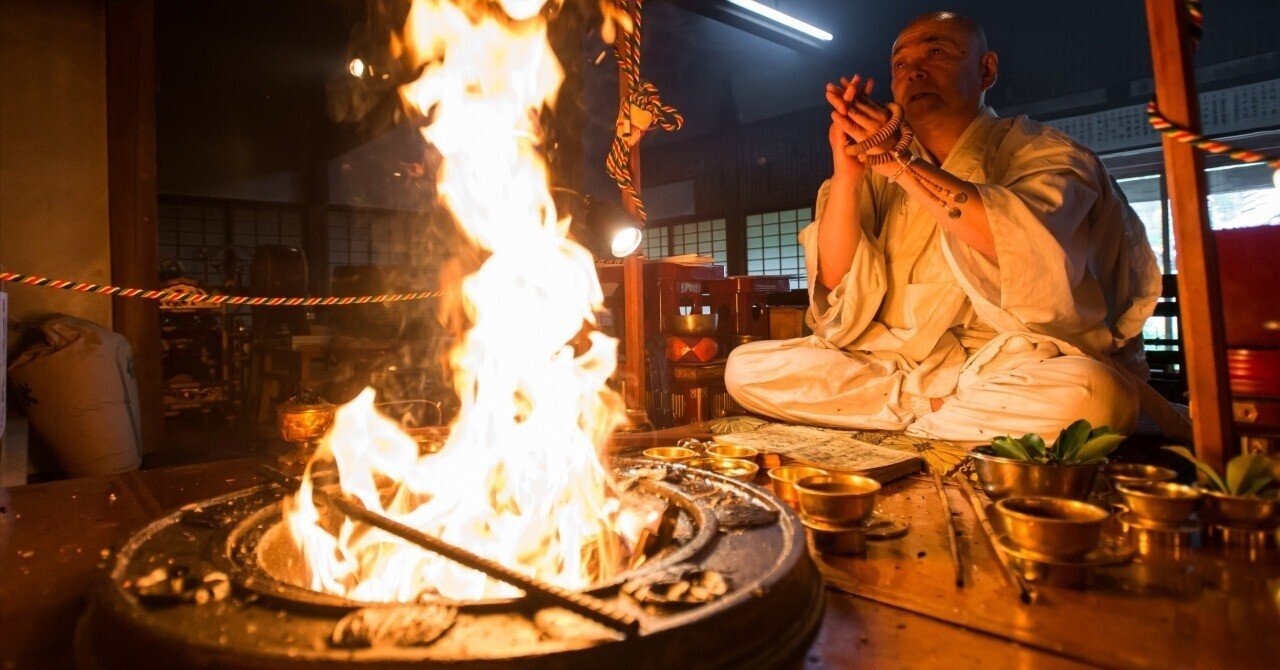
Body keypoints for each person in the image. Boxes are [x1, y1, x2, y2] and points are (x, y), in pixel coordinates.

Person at [725, 11, 1176, 444]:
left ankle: (898, 418)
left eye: (936, 53)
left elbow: (1021, 245)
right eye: (901, 64)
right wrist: (847, 175)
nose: (914, 72)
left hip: (1005, 368)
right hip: (889, 366)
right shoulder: (875, 170)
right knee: (743, 369)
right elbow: (836, 283)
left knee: (1097, 398)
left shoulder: (1044, 153)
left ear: (986, 69)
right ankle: (935, 413)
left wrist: (905, 166)